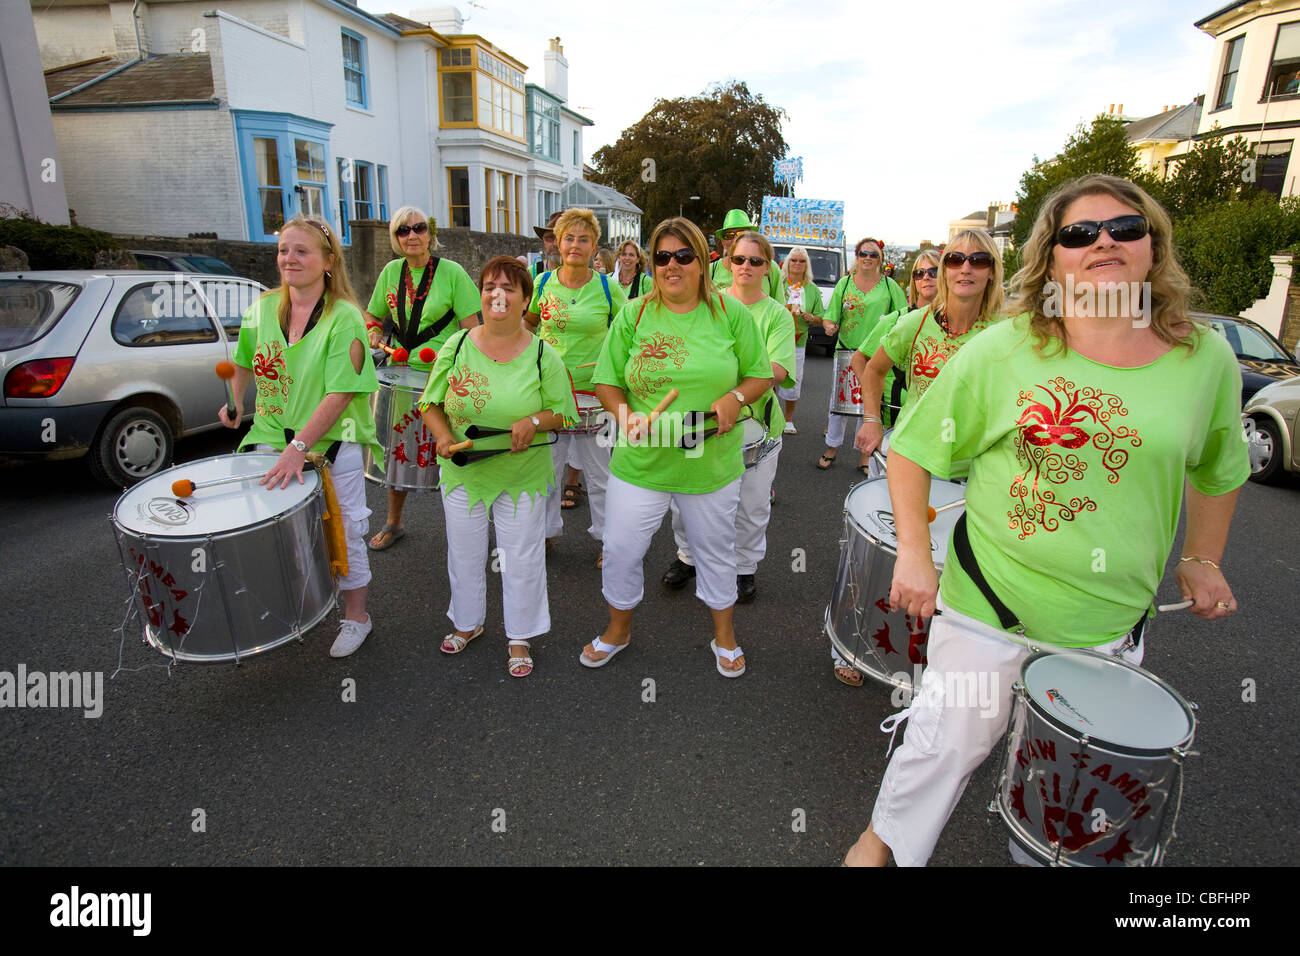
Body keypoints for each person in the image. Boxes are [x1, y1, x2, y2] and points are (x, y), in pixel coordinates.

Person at [842, 174, 1249, 867]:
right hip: (985, 609)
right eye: (1078, 233)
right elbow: (912, 448)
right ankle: (876, 849)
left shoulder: (1203, 358)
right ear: (1051, 257)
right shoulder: (1006, 349)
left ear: (1154, 245)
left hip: (1106, 630)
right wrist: (915, 552)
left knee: (1070, 813)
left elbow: (1219, 467)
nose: (1103, 243)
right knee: (937, 754)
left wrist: (1204, 557)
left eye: (1125, 228)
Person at [582, 217, 773, 676]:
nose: (672, 265)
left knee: (714, 551)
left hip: (706, 458)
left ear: (703, 262)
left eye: (683, 256)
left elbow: (761, 375)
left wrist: (736, 396)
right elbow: (607, 381)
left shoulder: (731, 314)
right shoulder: (635, 314)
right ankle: (618, 629)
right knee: (623, 548)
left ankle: (724, 636)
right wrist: (625, 415)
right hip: (642, 460)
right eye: (662, 256)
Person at [220, 215, 380, 658]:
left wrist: (299, 448)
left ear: (328, 261)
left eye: (301, 251)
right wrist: (234, 402)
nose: (289, 258)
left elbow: (343, 391)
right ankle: (299, 605)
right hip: (272, 434)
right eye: (284, 250)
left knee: (344, 531)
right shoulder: (260, 309)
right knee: (281, 532)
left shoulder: (345, 317)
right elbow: (244, 361)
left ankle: (356, 618)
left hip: (331, 441)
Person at [419, 256, 579, 678]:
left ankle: (520, 636)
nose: (498, 294)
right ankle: (467, 623)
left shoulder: (545, 354)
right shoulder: (456, 345)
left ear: (526, 299)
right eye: (491, 286)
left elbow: (563, 413)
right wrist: (442, 436)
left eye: (509, 288)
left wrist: (533, 421)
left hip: (521, 475)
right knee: (464, 552)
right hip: (464, 472)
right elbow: (430, 403)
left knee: (521, 557)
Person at [662, 231, 794, 603]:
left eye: (755, 261)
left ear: (767, 267)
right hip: (698, 419)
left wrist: (726, 381)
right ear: (727, 263)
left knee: (751, 505)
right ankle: (687, 556)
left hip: (754, 423)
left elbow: (777, 371)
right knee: (684, 497)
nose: (746, 267)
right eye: (739, 260)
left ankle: (744, 567)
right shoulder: (706, 305)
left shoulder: (777, 315)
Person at [364, 206, 481, 551]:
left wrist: (454, 365)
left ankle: (468, 527)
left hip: (443, 375)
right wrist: (373, 331)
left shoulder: (453, 273)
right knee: (399, 450)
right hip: (400, 371)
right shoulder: (390, 272)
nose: (411, 236)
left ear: (430, 233)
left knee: (455, 449)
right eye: (403, 231)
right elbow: (372, 315)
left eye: (418, 228)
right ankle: (393, 521)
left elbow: (472, 330)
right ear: (395, 238)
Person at [524, 208, 628, 561]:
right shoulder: (540, 283)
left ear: (595, 246)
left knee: (600, 476)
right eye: (569, 238)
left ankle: (607, 540)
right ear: (557, 243)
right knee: (546, 470)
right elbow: (527, 327)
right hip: (548, 395)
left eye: (583, 239)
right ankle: (546, 533)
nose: (575, 245)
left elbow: (626, 336)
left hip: (593, 397)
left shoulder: (607, 287)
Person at [853, 234, 1002, 468]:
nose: (965, 268)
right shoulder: (914, 322)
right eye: (955, 259)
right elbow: (872, 368)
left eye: (979, 260)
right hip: (912, 455)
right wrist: (872, 419)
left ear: (992, 271)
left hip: (974, 466)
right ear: (946, 270)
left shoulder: (1006, 332)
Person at [818, 237, 907, 471]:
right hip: (847, 352)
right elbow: (830, 314)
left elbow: (903, 318)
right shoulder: (844, 284)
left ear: (880, 259)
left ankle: (865, 455)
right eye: (863, 254)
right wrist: (828, 326)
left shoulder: (890, 287)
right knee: (839, 405)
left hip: (877, 357)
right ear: (856, 257)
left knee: (871, 404)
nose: (867, 258)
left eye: (873, 255)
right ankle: (831, 448)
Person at [776, 244, 826, 434]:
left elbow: (821, 317)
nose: (797, 264)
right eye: (794, 260)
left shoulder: (812, 289)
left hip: (798, 340)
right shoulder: (778, 284)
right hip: (776, 339)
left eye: (801, 261)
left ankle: (788, 420)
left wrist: (811, 318)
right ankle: (769, 417)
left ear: (807, 265)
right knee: (769, 378)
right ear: (787, 263)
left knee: (794, 380)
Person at [710, 209, 785, 299]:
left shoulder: (770, 267)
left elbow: (780, 305)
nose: (735, 239)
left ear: (752, 236)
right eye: (729, 235)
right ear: (723, 242)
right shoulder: (711, 270)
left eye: (741, 233)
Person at [532, 211, 561, 278]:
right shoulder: (532, 272)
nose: (555, 244)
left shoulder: (584, 275)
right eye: (549, 239)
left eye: (560, 238)